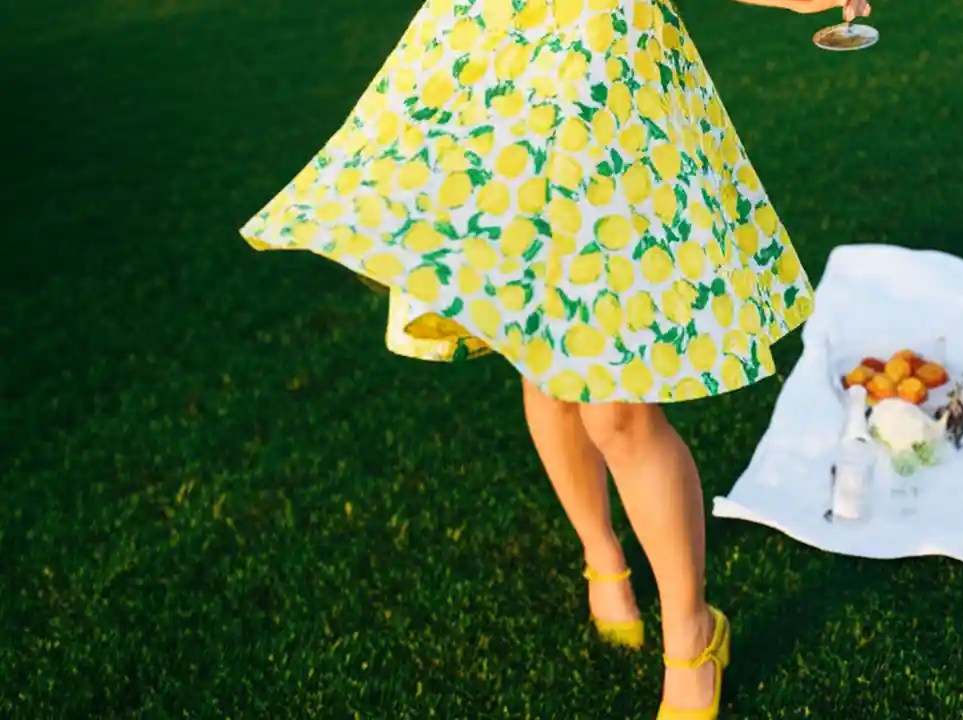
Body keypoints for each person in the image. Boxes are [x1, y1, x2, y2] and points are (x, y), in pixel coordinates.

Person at [239, 0, 869, 716]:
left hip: (606, 98)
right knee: (544, 359)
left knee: (619, 407)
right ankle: (601, 551)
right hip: (498, 80)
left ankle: (692, 630)